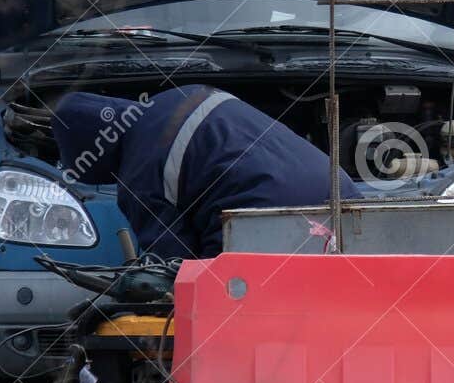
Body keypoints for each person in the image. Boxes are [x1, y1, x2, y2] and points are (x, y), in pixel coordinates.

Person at [52, 85, 357, 258]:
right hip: (340, 193)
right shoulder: (189, 93)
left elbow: (175, 261)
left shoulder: (138, 174)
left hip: (260, 226)